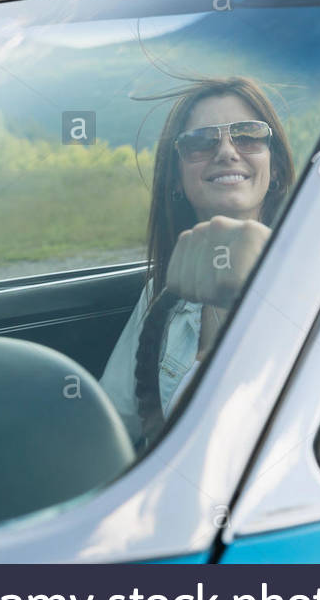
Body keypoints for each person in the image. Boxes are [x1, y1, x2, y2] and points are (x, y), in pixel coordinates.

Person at [100, 76, 294, 446]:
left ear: (277, 169)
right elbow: (113, 423)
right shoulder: (164, 289)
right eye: (201, 142)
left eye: (248, 135)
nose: (226, 151)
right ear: (177, 178)